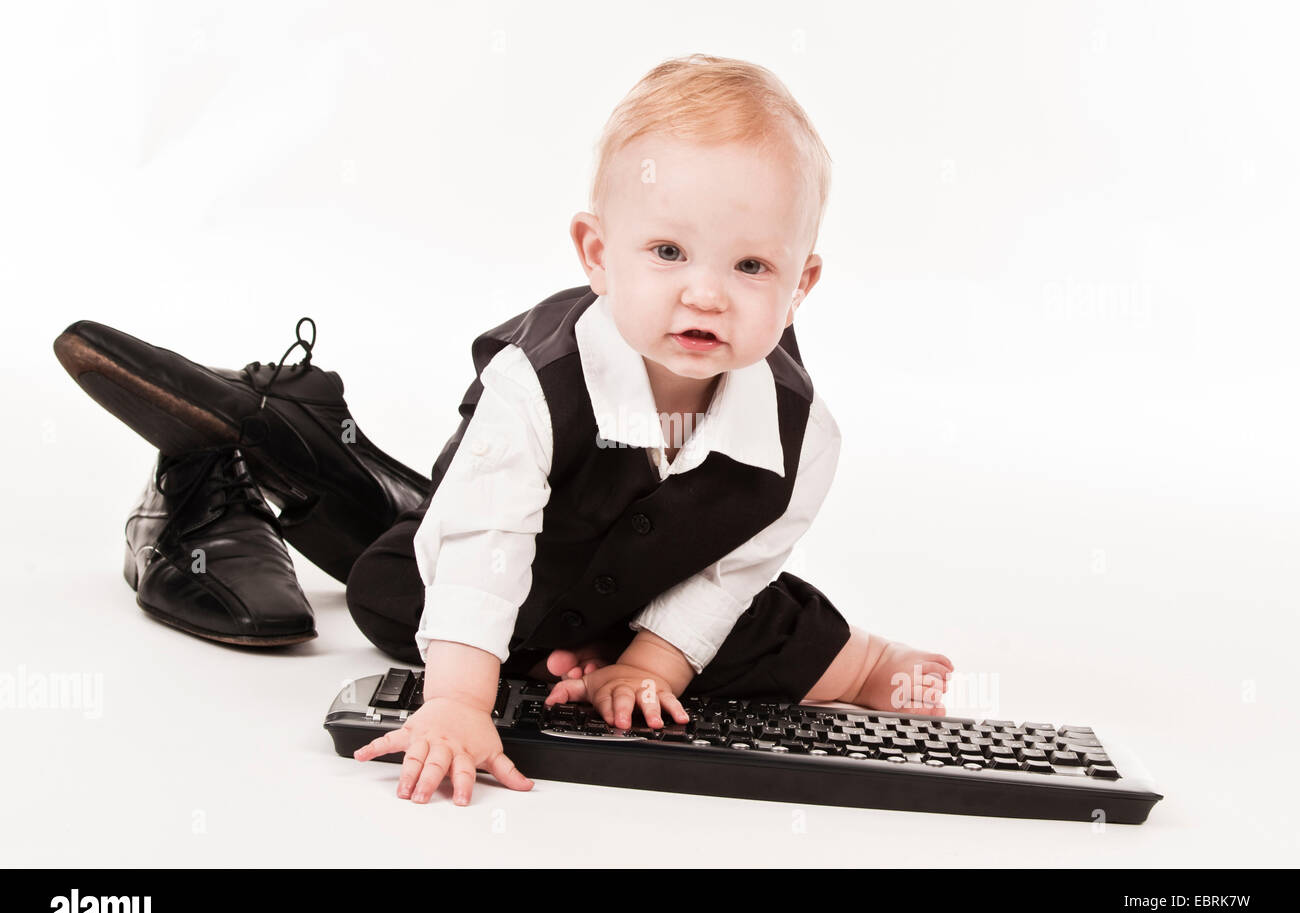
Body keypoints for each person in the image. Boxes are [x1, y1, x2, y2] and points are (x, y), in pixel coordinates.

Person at [53, 54, 954, 809]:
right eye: (668, 252)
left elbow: (730, 571)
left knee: (757, 629)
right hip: (528, 563)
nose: (707, 292)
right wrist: (456, 701)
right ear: (598, 253)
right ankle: (323, 464)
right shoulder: (539, 385)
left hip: (654, 589)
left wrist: (651, 666)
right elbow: (488, 533)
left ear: (802, 284)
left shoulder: (802, 436)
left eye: (753, 264)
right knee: (406, 595)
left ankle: (866, 660)